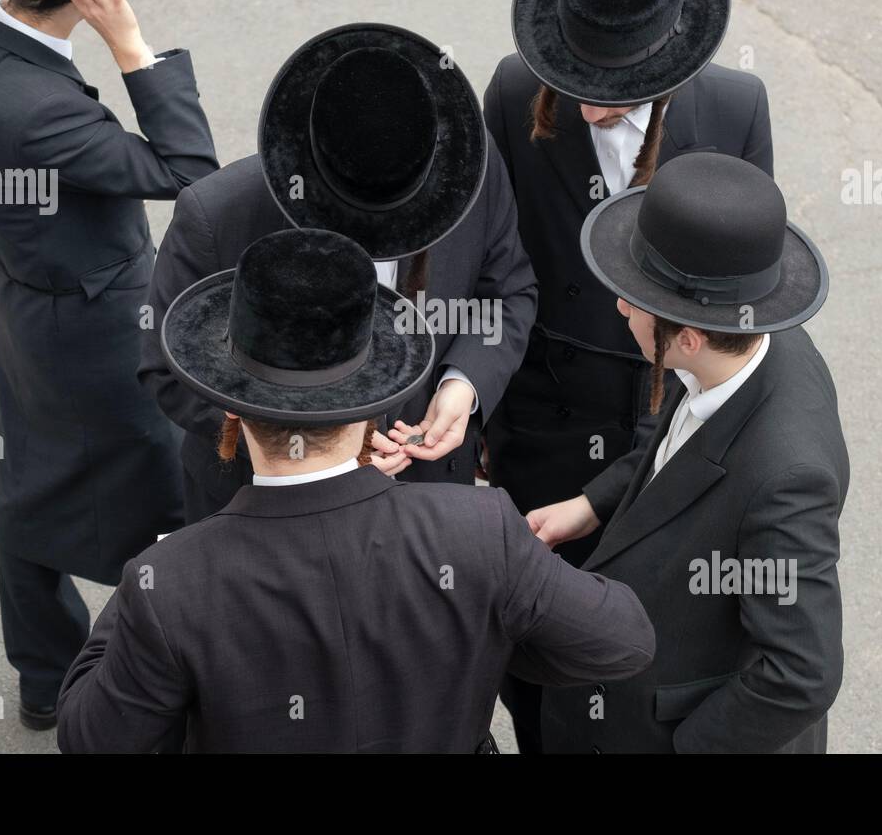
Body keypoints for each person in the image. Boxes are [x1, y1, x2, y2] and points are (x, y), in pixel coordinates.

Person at [57, 228, 654, 752]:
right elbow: (623, 643)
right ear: (374, 398)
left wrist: (141, 585)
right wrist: (483, 635)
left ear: (230, 415)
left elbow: (91, 738)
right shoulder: (483, 533)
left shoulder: (170, 585)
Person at [0, 0, 217, 730]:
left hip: (20, 303)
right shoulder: (44, 108)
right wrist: (132, 51)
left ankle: (46, 679)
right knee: (165, 500)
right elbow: (192, 174)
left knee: (30, 486)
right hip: (103, 327)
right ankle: (173, 679)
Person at [484, 0, 775, 752]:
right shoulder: (511, 90)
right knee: (538, 650)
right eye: (572, 80)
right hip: (544, 416)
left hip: (665, 413)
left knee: (649, 643)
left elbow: (739, 294)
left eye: (609, 91)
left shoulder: (737, 107)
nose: (585, 107)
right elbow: (499, 263)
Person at [139, 24, 536, 523]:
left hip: (425, 497)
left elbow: (506, 293)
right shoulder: (215, 216)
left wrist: (463, 386)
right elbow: (166, 368)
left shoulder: (473, 174)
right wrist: (315, 451)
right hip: (261, 511)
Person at [531, 152, 848, 753]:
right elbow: (679, 441)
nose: (621, 306)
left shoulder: (787, 478)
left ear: (690, 336)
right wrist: (591, 505)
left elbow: (801, 674)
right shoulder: (745, 346)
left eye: (635, 300)